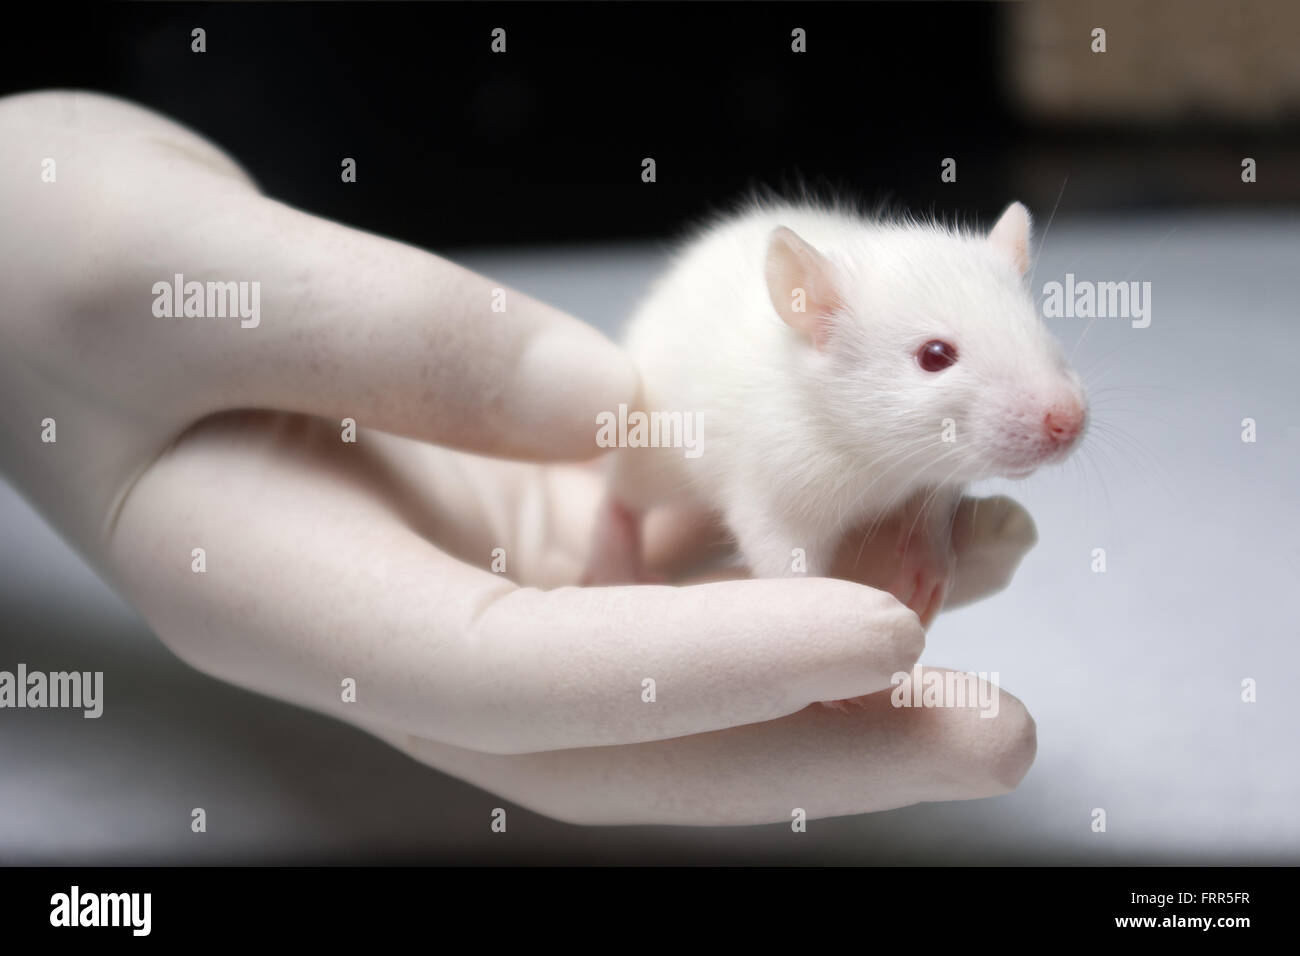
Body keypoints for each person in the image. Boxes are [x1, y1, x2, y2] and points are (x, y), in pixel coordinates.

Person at [0, 90, 1038, 825]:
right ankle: (619, 524)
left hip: (901, 107)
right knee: (650, 471)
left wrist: (933, 522)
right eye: (939, 359)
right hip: (335, 114)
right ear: (814, 321)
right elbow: (776, 517)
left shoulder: (926, 300)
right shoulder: (791, 401)